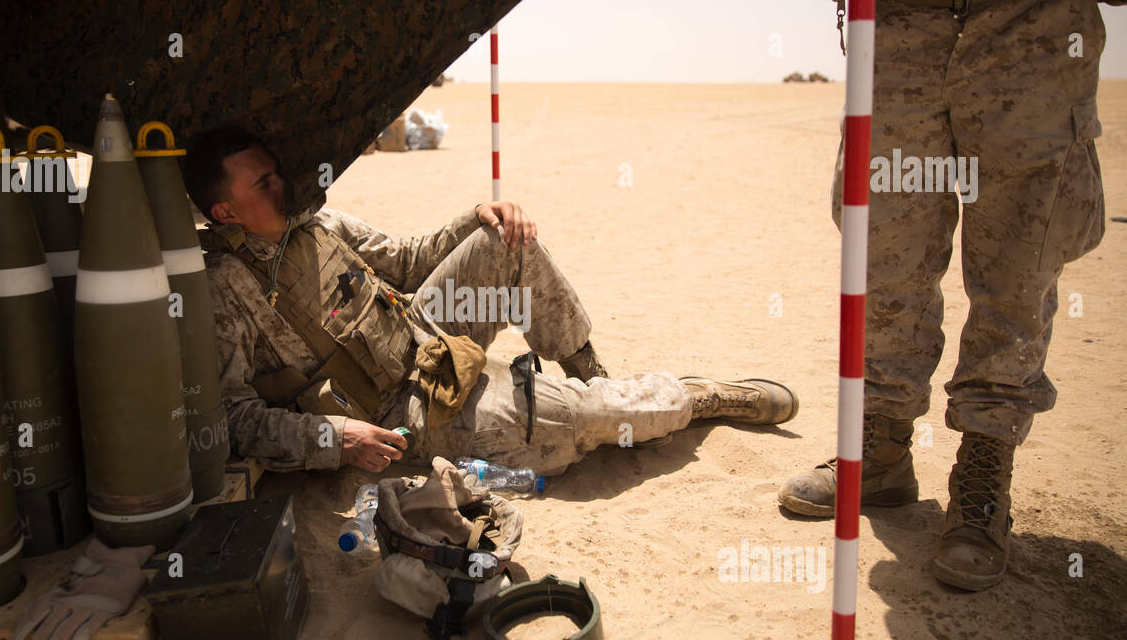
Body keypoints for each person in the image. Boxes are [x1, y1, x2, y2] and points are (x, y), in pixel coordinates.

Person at [779, 0, 1126, 589]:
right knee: (886, 259)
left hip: (1033, 12)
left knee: (1019, 264)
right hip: (899, 16)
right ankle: (878, 449)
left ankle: (984, 465)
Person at [182, 124, 799, 480]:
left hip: (422, 330)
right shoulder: (221, 291)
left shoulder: (320, 225)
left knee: (504, 240)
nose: (282, 185)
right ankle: (692, 397)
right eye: (263, 183)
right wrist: (334, 438)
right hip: (403, 404)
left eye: (276, 173)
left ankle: (597, 377)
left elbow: (408, 258)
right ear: (225, 211)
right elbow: (233, 420)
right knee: (569, 427)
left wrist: (478, 214)